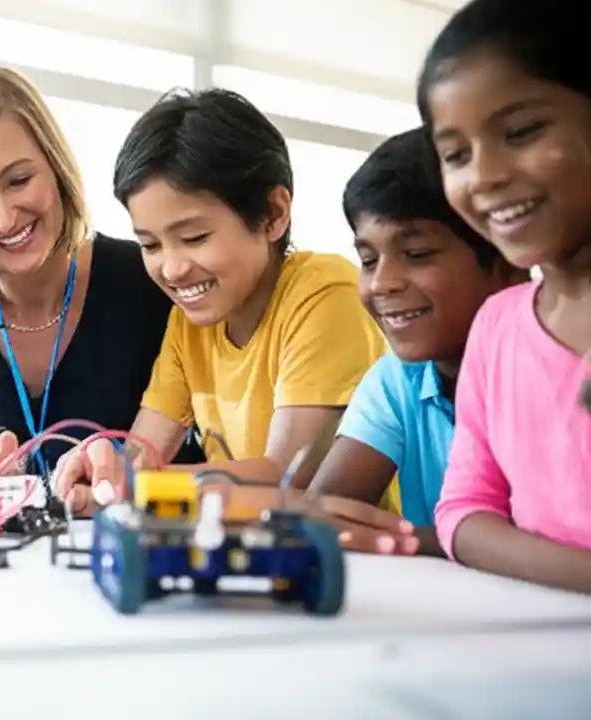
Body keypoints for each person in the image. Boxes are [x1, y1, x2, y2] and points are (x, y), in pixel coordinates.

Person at [55, 88, 387, 512]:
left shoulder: (325, 292)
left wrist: (136, 482)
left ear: (272, 214)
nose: (172, 269)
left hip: (356, 560)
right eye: (151, 245)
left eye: (194, 238)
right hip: (240, 551)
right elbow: (138, 458)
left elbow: (288, 475)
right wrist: (98, 473)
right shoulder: (188, 323)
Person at [0, 65, 203, 484]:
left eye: (18, 180)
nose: (2, 219)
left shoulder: (153, 284)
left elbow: (224, 457)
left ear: (55, 166)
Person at [420, 0, 591, 593]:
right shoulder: (497, 326)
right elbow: (463, 510)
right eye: (456, 155)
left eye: (520, 133)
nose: (485, 176)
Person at [307, 128, 526, 556]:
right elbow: (328, 513)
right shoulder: (398, 379)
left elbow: (556, 541)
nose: (382, 283)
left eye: (418, 254)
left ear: (508, 262)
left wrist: (407, 541)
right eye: (369, 260)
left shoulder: (551, 369)